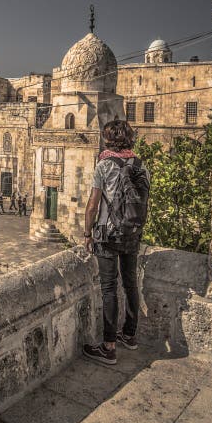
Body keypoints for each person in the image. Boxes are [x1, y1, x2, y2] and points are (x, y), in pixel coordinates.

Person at [83, 120, 150, 365]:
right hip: (132, 233)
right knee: (131, 284)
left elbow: (93, 204)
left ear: (109, 139)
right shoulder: (141, 165)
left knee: (109, 288)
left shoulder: (104, 165)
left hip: (108, 234)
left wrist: (87, 233)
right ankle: (130, 336)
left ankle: (109, 347)